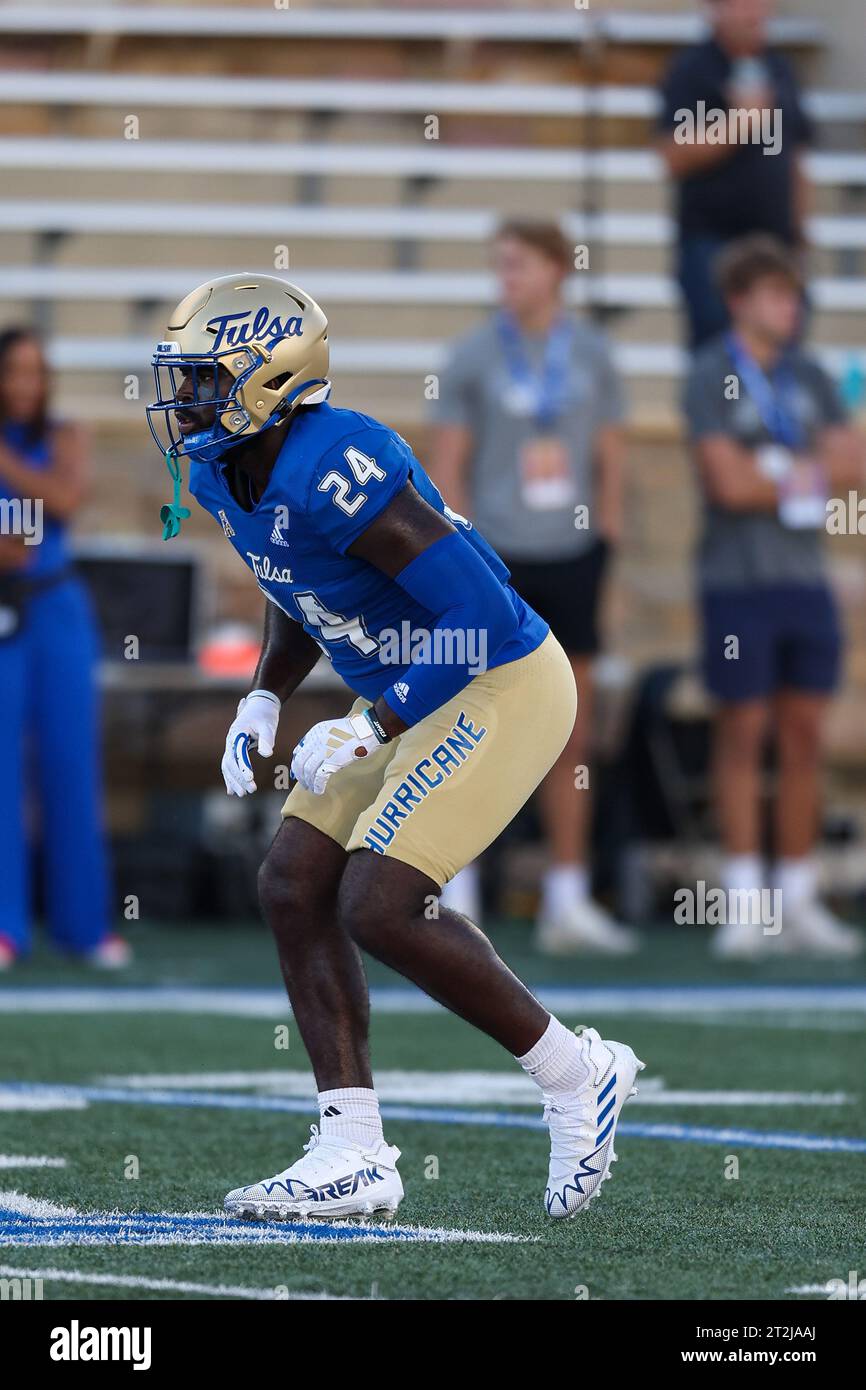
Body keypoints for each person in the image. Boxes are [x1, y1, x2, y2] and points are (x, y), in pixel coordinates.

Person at [146, 272, 645, 1222]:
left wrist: (373, 722)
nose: (187, 400)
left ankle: (576, 1074)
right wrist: (265, 695)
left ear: (270, 378)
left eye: (207, 379)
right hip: (410, 689)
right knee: (292, 881)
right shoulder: (225, 469)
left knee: (379, 901)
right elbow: (294, 580)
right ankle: (353, 1150)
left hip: (498, 677)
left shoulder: (337, 461)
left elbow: (479, 613)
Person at [430, 219, 637, 955]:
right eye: (500, 265)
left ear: (556, 269)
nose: (506, 277)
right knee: (472, 720)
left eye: (519, 264)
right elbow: (448, 463)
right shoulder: (473, 353)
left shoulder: (592, 353)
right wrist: (456, 556)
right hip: (497, 554)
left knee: (569, 728)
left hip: (572, 553)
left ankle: (567, 896)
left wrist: (605, 539)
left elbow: (610, 458)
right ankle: (454, 887)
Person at [684, 237, 864, 958]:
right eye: (776, 295)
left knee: (805, 735)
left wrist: (777, 470)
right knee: (742, 733)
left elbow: (855, 464)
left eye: (795, 295)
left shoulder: (810, 373)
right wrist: (805, 469)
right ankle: (742, 902)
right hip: (737, 581)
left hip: (804, 578)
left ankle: (797, 896)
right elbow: (727, 484)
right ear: (740, 301)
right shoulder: (711, 373)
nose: (791, 308)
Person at [0, 327, 126, 969]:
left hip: (55, 608)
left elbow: (65, 500)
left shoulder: (65, 434)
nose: (26, 384)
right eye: (13, 371)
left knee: (71, 763)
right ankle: (6, 929)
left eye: (36, 371)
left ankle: (84, 927)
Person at [657, 0, 813, 349]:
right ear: (715, 9)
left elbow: (796, 156)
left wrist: (801, 233)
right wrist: (739, 123)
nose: (752, 13)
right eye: (740, 4)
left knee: (785, 348)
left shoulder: (780, 67)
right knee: (717, 351)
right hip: (713, 244)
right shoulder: (692, 69)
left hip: (776, 241)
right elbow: (673, 156)